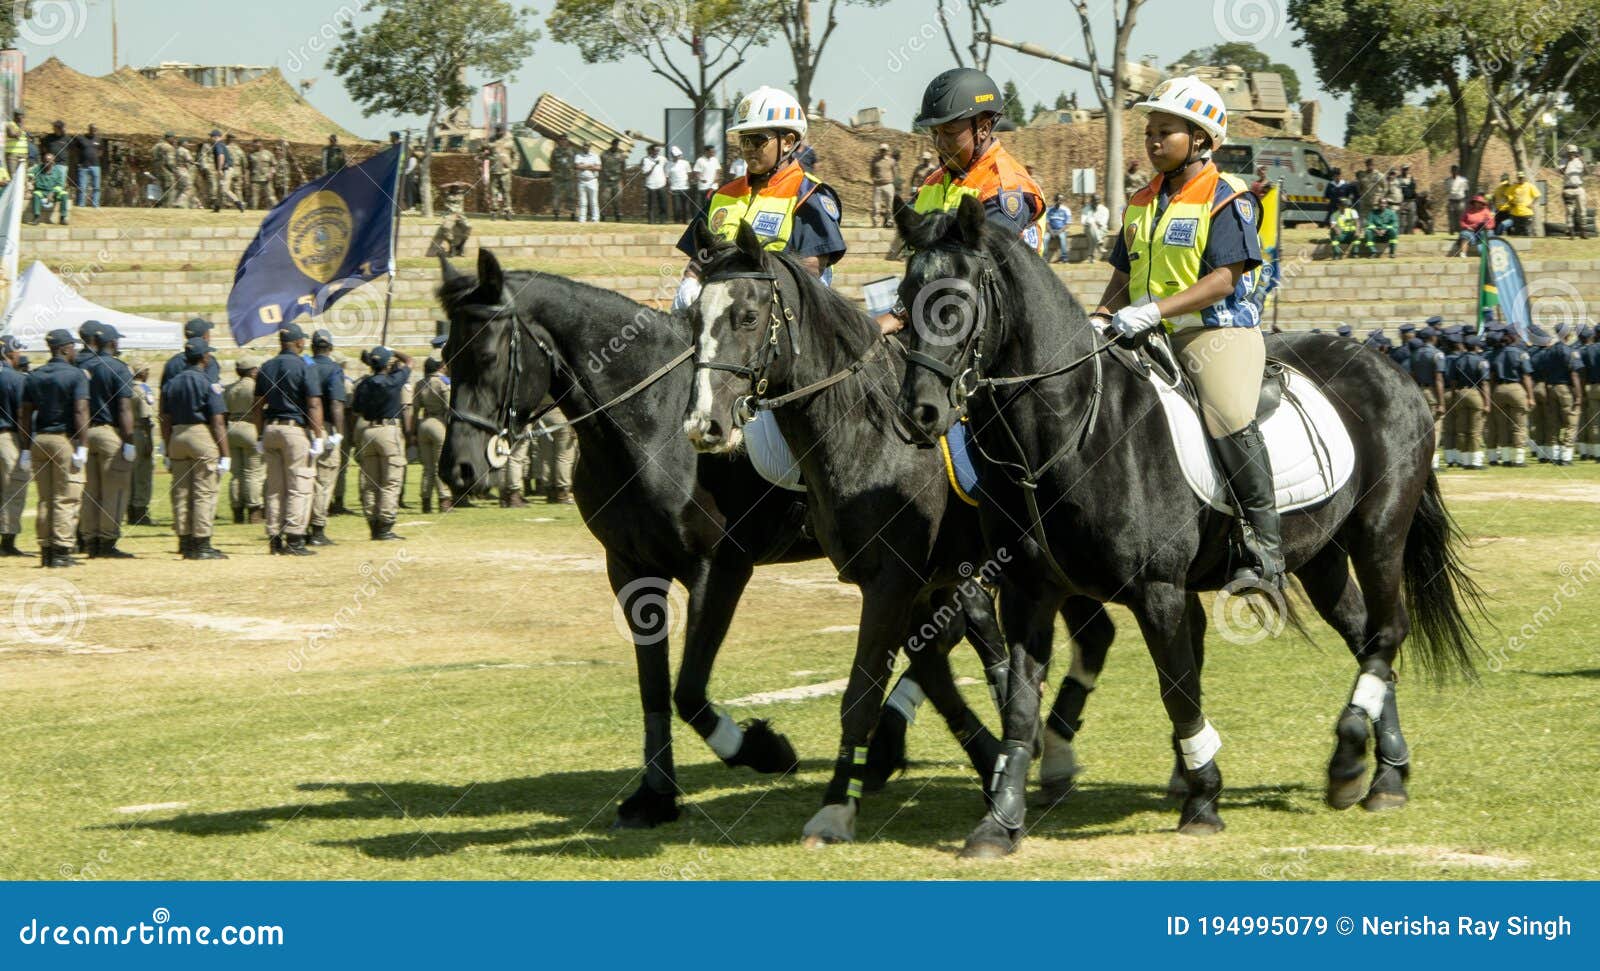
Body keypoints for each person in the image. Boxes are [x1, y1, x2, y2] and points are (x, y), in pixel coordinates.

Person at [1092, 75, 1280, 588]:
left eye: (1165, 131)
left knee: (1227, 414)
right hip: (1140, 332)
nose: (1152, 140)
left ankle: (1265, 547)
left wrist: (1155, 311)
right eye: (1149, 131)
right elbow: (1124, 274)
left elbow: (1224, 279)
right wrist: (1102, 315)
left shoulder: (1228, 197)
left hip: (1213, 334)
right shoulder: (1139, 200)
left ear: (1200, 138)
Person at [672, 85, 846, 312]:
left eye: (758, 141)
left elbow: (811, 269)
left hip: (778, 317)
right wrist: (690, 281)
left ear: (787, 141)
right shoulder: (723, 195)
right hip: (719, 312)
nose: (748, 149)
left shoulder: (808, 195)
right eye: (744, 141)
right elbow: (701, 255)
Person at [18, 329, 90, 567]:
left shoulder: (34, 375)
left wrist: (26, 448)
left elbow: (25, 415)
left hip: (40, 440)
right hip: (63, 440)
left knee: (45, 498)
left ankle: (46, 549)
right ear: (65, 349)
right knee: (66, 498)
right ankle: (61, 550)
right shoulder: (76, 375)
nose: (75, 352)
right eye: (73, 347)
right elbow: (80, 412)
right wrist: (83, 446)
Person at [250, 322, 324, 555]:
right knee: (298, 485)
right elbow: (313, 403)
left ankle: (274, 537)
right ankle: (294, 538)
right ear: (299, 342)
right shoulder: (304, 366)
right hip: (294, 430)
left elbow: (257, 405)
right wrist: (318, 435)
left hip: (271, 429)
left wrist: (260, 434)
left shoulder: (266, 366)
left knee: (274, 487)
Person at [161, 336, 230, 560]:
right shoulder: (207, 382)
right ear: (204, 357)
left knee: (181, 491)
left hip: (177, 435)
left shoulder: (172, 382)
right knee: (204, 491)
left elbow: (164, 417)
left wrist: (167, 445)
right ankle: (202, 542)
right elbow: (218, 421)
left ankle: (185, 540)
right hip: (200, 434)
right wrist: (225, 454)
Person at [78, 321, 136, 558]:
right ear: (112, 343)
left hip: (86, 432)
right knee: (115, 491)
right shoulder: (118, 368)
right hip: (109, 432)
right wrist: (129, 440)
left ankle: (90, 540)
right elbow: (124, 408)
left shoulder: (83, 366)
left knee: (91, 490)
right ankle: (107, 541)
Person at [352, 346, 411, 540]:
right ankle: (385, 525)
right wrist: (393, 351)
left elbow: (357, 409)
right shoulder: (393, 381)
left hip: (368, 431)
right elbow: (410, 361)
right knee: (391, 481)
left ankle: (373, 524)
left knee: (371, 483)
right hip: (388, 430)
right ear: (386, 364)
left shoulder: (363, 384)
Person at [305, 330, 347, 547]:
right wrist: (338, 432)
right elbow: (336, 403)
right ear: (330, 347)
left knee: (305, 480)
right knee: (324, 479)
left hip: (304, 427)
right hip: (326, 426)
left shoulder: (304, 365)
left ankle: (301, 525)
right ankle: (317, 529)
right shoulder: (333, 369)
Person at [1533, 325, 1583, 464]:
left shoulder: (1547, 352)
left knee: (1553, 423)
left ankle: (1553, 454)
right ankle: (1566, 456)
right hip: (1564, 389)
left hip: (1550, 387)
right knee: (1571, 422)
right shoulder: (1570, 351)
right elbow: (1574, 374)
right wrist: (1578, 397)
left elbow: (1544, 372)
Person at [224, 354, 265, 524]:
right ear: (253, 371)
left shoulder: (229, 388)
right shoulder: (256, 387)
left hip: (231, 427)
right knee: (254, 472)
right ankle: (254, 510)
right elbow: (260, 410)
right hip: (250, 426)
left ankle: (237, 510)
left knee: (236, 473)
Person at [0, 335, 30, 557]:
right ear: (10, 353)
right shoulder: (16, 379)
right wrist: (27, 445)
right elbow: (22, 415)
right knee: (14, 488)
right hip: (7, 437)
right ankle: (8, 541)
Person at [1486, 324, 1532, 466]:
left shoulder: (1494, 353)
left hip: (1499, 389)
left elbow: (1491, 377)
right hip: (1516, 388)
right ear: (1514, 336)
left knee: (1502, 425)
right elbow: (1526, 376)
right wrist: (1530, 396)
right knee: (1519, 425)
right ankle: (1518, 459)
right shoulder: (1520, 353)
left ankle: (1505, 458)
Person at [413, 357, 454, 512]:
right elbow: (449, 407)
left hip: (423, 423)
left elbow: (415, 409)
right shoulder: (443, 383)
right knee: (440, 465)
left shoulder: (419, 384)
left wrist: (412, 432)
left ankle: (426, 500)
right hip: (439, 423)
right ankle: (444, 500)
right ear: (439, 367)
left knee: (427, 467)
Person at [1447, 332, 1490, 470]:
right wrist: (1487, 402)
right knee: (1475, 429)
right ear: (1476, 346)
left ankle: (1465, 460)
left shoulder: (1457, 360)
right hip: (1474, 393)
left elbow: (1453, 381)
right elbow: (1484, 383)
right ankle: (1475, 461)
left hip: (1460, 393)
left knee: (1461, 429)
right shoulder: (1480, 361)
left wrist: (1454, 397)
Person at [1411, 326, 1447, 468]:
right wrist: (1441, 402)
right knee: (1435, 427)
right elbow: (1438, 379)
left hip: (1418, 390)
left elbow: (1412, 375)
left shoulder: (1415, 354)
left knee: (1420, 427)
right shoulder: (1437, 354)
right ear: (1432, 338)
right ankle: (1433, 461)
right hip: (1431, 392)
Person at [125, 361, 156, 525]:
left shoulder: (127, 388)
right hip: (141, 432)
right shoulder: (143, 390)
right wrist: (149, 441)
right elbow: (146, 416)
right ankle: (141, 511)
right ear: (142, 373)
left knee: (131, 473)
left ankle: (130, 509)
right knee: (143, 473)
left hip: (129, 433)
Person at [162, 318, 222, 391]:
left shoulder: (172, 362)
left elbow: (164, 392)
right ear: (205, 337)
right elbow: (212, 394)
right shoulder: (207, 361)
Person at [429, 182, 472, 257]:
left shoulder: (461, 194)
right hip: (449, 215)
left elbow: (472, 188)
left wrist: (464, 183)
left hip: (460, 215)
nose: (456, 189)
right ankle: (452, 247)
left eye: (457, 188)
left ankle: (461, 246)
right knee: (446, 227)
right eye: (454, 188)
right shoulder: (446, 194)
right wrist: (451, 183)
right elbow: (440, 186)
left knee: (468, 226)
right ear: (451, 188)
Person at [208, 129, 244, 212]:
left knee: (225, 189)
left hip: (225, 170)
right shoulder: (222, 144)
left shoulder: (218, 145)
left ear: (215, 137)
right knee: (220, 190)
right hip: (227, 169)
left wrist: (219, 169)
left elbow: (221, 156)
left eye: (211, 137)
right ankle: (217, 207)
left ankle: (239, 203)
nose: (210, 138)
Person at [29, 151, 70, 225]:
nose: (46, 163)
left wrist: (53, 192)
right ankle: (36, 217)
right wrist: (31, 177)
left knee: (64, 194)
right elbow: (30, 173)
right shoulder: (39, 168)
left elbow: (60, 185)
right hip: (41, 191)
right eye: (44, 161)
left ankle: (63, 217)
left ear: (53, 162)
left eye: (48, 162)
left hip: (53, 193)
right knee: (36, 194)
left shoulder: (58, 171)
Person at [1579, 324, 1600, 459]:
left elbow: (1582, 372)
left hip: (1592, 387)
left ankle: (1598, 453)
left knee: (1594, 422)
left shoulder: (1588, 350)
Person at [487, 125, 516, 219]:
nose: (499, 132)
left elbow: (516, 154)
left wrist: (514, 166)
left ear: (504, 131)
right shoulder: (491, 140)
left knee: (506, 192)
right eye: (497, 130)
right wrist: (485, 157)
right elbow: (481, 151)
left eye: (501, 130)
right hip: (494, 170)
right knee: (493, 192)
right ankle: (494, 211)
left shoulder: (510, 141)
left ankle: (508, 212)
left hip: (506, 171)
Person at [1562, 145, 1588, 239]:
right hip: (1568, 189)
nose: (1571, 154)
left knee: (1582, 211)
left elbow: (1586, 173)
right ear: (1567, 153)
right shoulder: (1563, 161)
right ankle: (1571, 232)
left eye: (1573, 152)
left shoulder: (1579, 161)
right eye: (1570, 153)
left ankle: (1583, 231)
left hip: (1579, 188)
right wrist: (1567, 163)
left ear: (1576, 152)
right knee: (1570, 211)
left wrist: (1583, 162)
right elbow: (1560, 172)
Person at [74, 123, 103, 208]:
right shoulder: (81, 138)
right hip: (83, 166)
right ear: (89, 129)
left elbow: (101, 151)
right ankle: (81, 205)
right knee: (82, 186)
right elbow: (75, 149)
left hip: (96, 166)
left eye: (95, 129)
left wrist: (95, 156)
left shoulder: (99, 139)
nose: (94, 131)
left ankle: (95, 204)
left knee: (96, 186)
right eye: (92, 129)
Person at [548, 134, 576, 220]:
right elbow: (551, 164)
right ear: (559, 141)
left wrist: (574, 173)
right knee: (557, 196)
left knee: (571, 196)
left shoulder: (572, 151)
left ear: (567, 141)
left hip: (569, 178)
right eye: (561, 140)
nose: (563, 141)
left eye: (565, 139)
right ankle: (556, 214)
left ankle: (572, 214)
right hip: (558, 178)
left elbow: (575, 164)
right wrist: (554, 174)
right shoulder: (555, 151)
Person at [574, 139, 602, 223]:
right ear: (582, 146)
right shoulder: (578, 155)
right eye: (584, 145)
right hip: (582, 181)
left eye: (587, 145)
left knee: (594, 201)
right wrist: (590, 166)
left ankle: (595, 218)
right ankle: (582, 219)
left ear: (590, 147)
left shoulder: (595, 156)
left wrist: (584, 166)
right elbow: (577, 166)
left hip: (592, 180)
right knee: (582, 201)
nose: (586, 147)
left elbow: (598, 168)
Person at [599, 138, 627, 222]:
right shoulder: (604, 154)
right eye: (614, 144)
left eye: (617, 144)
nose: (616, 145)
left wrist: (623, 180)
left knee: (617, 200)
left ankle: (617, 216)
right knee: (604, 199)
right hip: (606, 181)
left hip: (617, 181)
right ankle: (603, 216)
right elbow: (601, 166)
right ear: (611, 144)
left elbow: (623, 168)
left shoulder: (621, 155)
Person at [641, 144, 669, 224]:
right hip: (651, 185)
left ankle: (663, 221)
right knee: (651, 204)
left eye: (658, 150)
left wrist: (666, 178)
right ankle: (651, 221)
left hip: (661, 184)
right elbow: (645, 174)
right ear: (652, 151)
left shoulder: (663, 159)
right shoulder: (646, 160)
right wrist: (653, 166)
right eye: (656, 150)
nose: (657, 152)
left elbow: (666, 168)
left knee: (663, 203)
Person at [870, 143, 897, 227]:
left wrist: (891, 180)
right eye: (882, 150)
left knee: (890, 204)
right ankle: (875, 222)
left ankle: (890, 221)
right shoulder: (874, 160)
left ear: (887, 151)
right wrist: (875, 179)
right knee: (876, 205)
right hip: (877, 185)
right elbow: (871, 172)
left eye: (885, 150)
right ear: (879, 150)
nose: (883, 151)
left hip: (888, 185)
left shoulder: (892, 161)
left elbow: (895, 172)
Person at [1507, 171, 1540, 236]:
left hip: (1527, 213)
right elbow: (1507, 195)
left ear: (1524, 178)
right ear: (1517, 178)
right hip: (1515, 214)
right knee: (1516, 233)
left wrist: (1532, 204)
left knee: (1528, 232)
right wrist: (1511, 202)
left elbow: (1537, 195)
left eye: (1522, 177)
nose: (1520, 179)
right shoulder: (1513, 187)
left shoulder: (1530, 186)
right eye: (1519, 178)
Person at [248, 140, 277, 209]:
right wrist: (247, 178)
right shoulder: (251, 155)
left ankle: (277, 210)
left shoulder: (269, 154)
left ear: (261, 143)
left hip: (266, 178)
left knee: (271, 197)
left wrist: (271, 173)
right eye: (254, 143)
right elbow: (248, 167)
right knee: (254, 198)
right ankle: (253, 212)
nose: (255, 144)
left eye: (257, 142)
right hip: (255, 179)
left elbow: (273, 165)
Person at [1080, 194, 1110, 261]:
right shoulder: (1086, 208)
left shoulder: (1104, 210)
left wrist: (1095, 222)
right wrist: (1092, 222)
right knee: (1092, 225)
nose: (1095, 202)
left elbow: (1103, 223)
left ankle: (1091, 256)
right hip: (1088, 228)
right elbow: (1083, 221)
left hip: (1102, 229)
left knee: (1093, 233)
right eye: (1094, 201)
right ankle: (1099, 244)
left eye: (1097, 201)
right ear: (1091, 201)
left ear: (1100, 201)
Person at [667, 146, 693, 222]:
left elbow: (689, 173)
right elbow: (667, 177)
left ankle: (686, 221)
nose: (676, 157)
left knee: (686, 206)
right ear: (672, 155)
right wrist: (669, 188)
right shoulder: (668, 164)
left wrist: (689, 182)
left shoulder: (685, 163)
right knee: (677, 207)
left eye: (678, 156)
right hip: (674, 188)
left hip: (685, 187)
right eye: (675, 156)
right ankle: (677, 221)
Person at [1045, 194, 1073, 263]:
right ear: (1055, 200)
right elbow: (1047, 223)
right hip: (1051, 230)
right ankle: (1044, 257)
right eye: (1058, 199)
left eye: (1061, 200)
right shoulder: (1049, 210)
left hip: (1062, 230)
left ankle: (1064, 258)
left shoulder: (1066, 210)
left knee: (1062, 238)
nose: (1059, 201)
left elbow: (1068, 224)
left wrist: (1059, 231)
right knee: (1045, 238)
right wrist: (1051, 231)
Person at [1444, 164, 1468, 235]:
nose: (1454, 171)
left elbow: (1466, 191)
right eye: (1453, 170)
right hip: (1451, 201)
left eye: (1456, 170)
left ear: (1458, 171)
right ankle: (1452, 230)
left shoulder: (1463, 180)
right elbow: (1446, 191)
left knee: (1461, 217)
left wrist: (1466, 200)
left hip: (1460, 200)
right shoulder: (1447, 181)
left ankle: (1461, 231)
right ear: (1451, 171)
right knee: (1451, 216)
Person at [1354, 157, 1381, 223]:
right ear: (1366, 165)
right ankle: (1362, 231)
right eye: (1368, 164)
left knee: (1375, 218)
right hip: (1364, 201)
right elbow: (1358, 185)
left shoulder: (1378, 175)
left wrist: (1380, 196)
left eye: (1372, 164)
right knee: (1363, 218)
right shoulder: (1362, 174)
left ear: (1374, 165)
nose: (1370, 166)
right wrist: (1360, 193)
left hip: (1375, 201)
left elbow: (1385, 187)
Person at [1396, 164, 1417, 235]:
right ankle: (1401, 236)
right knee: (1402, 222)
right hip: (1403, 202)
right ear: (1401, 170)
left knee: (1411, 221)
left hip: (1411, 202)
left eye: (1407, 169)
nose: (1406, 171)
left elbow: (1414, 189)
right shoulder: (1398, 179)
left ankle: (1410, 235)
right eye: (1404, 169)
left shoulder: (1411, 178)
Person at [5, 110, 28, 176]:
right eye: (21, 116)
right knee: (13, 176)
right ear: (16, 116)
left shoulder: (22, 127)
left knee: (22, 176)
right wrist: (21, 126)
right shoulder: (10, 125)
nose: (22, 118)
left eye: (23, 117)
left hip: (23, 154)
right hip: (13, 155)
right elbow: (16, 135)